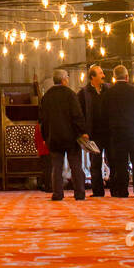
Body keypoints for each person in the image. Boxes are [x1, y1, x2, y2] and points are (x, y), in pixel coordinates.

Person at [98, 64, 134, 198]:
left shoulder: (109, 94)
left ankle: (123, 191)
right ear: (127, 77)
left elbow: (103, 114)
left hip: (117, 133)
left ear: (114, 77)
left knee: (120, 163)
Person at [38, 68, 88, 201]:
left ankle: (58, 194)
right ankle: (79, 193)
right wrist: (82, 132)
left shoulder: (47, 96)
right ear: (64, 80)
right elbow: (77, 115)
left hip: (54, 137)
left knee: (57, 167)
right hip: (71, 137)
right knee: (75, 166)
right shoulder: (70, 94)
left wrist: (45, 137)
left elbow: (43, 120)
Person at [77, 64, 110, 197]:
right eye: (101, 73)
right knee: (95, 164)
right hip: (93, 133)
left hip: (108, 132)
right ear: (92, 77)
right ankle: (98, 191)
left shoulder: (108, 89)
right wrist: (83, 131)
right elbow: (80, 114)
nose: (103, 75)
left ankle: (116, 188)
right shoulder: (83, 93)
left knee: (112, 160)